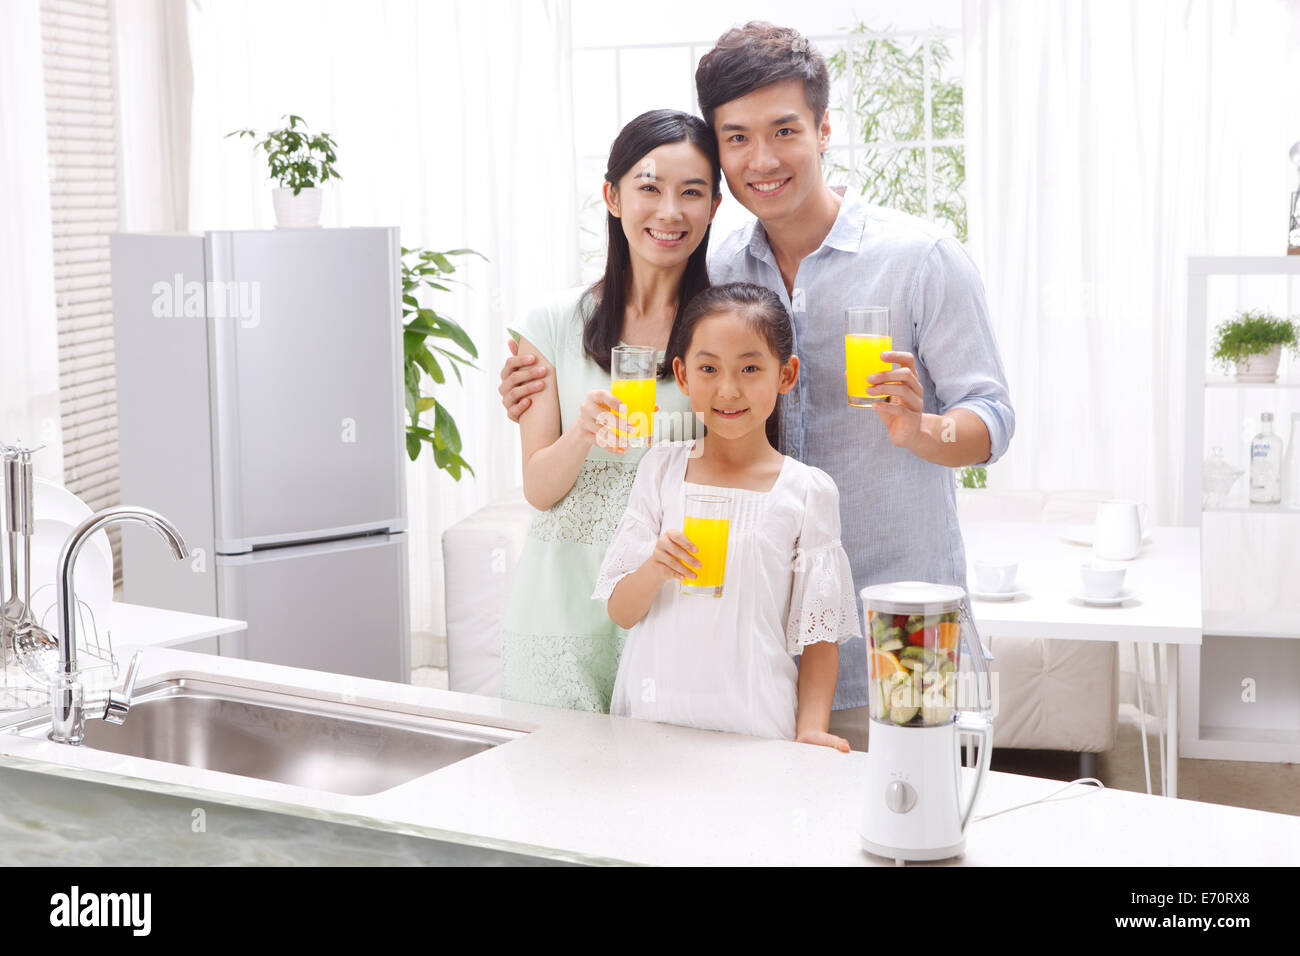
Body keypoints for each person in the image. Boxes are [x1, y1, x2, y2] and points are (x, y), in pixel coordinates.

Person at [501, 24, 1014, 749]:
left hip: (902, 611)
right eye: (736, 137)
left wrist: (921, 429)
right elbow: (635, 327)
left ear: (824, 129)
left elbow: (993, 420)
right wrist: (539, 369)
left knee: (918, 817)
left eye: (784, 131)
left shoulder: (921, 259)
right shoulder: (721, 274)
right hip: (761, 641)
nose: (762, 159)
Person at [498, 109, 722, 713]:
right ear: (613, 197)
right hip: (560, 610)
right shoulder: (549, 322)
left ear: (714, 208)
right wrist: (582, 434)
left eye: (691, 192)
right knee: (553, 793)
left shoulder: (724, 332)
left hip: (669, 604)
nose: (670, 211)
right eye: (649, 187)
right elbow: (540, 490)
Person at [593, 283, 858, 748]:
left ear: (786, 374)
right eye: (709, 368)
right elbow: (621, 611)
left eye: (750, 368)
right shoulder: (661, 468)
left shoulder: (808, 491)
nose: (729, 389)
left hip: (757, 728)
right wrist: (656, 567)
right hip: (654, 721)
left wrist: (812, 730)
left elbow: (820, 638)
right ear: (683, 374)